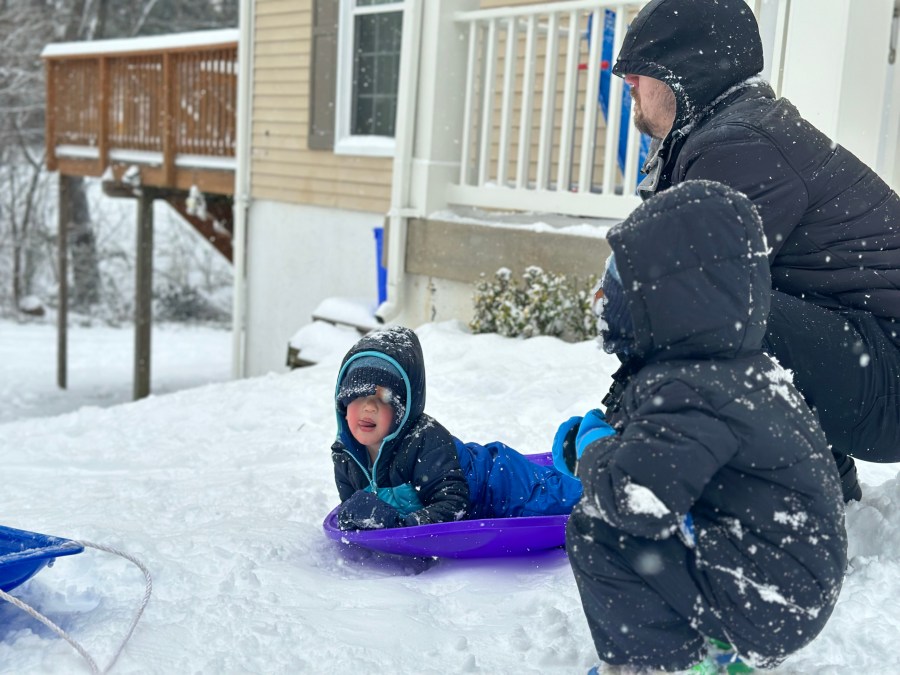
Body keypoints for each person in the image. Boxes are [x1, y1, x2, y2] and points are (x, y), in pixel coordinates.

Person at [610, 0, 900, 503]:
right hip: (868, 364)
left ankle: (790, 499)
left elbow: (691, 305)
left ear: (685, 72)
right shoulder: (726, 134)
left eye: (642, 68)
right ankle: (821, 484)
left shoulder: (742, 143)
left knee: (718, 309)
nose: (629, 81)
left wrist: (615, 428)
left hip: (887, 380)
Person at [558, 180, 848, 674]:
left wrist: (594, 450)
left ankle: (665, 664)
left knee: (596, 529)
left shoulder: (690, 385)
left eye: (618, 286)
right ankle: (716, 648)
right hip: (791, 584)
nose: (603, 301)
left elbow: (635, 502)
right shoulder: (738, 369)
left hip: (768, 598)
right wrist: (610, 443)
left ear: (665, 298)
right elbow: (673, 459)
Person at [331, 325, 582, 530]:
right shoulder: (346, 456)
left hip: (499, 484)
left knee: (568, 499)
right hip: (484, 480)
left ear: (404, 410)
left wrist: (401, 525)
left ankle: (599, 463)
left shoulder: (424, 440)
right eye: (358, 396)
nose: (368, 408)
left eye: (382, 399)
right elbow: (354, 510)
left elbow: (453, 505)